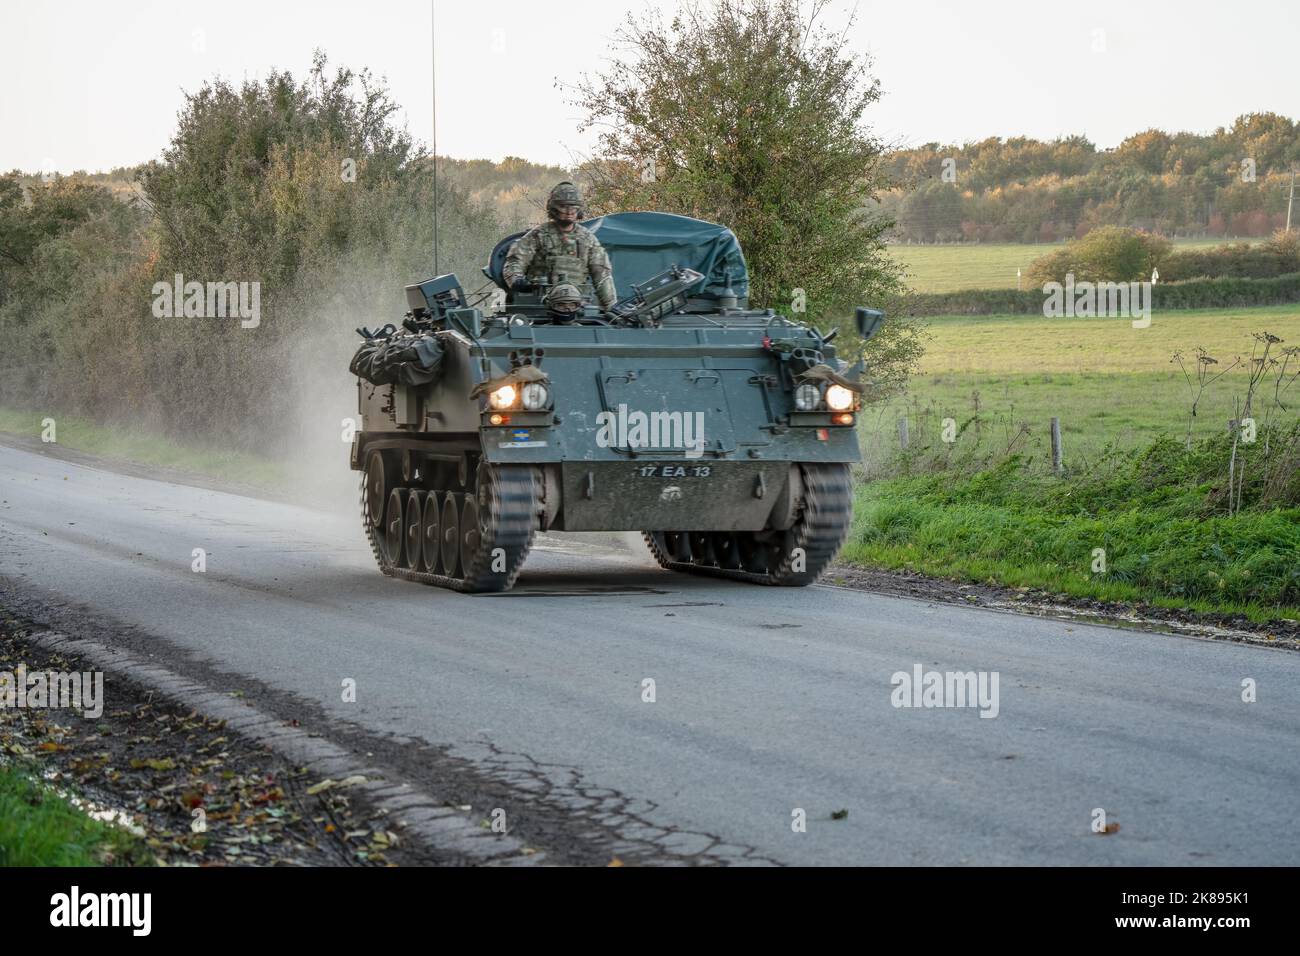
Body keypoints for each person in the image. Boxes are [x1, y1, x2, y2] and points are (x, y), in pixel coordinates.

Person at [502, 181, 617, 309]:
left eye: (573, 207)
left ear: (579, 209)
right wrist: (518, 282)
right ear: (554, 209)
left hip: (575, 306)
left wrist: (611, 308)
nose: (569, 211)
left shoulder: (588, 239)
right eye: (563, 206)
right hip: (539, 305)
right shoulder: (538, 235)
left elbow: (602, 276)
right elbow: (515, 262)